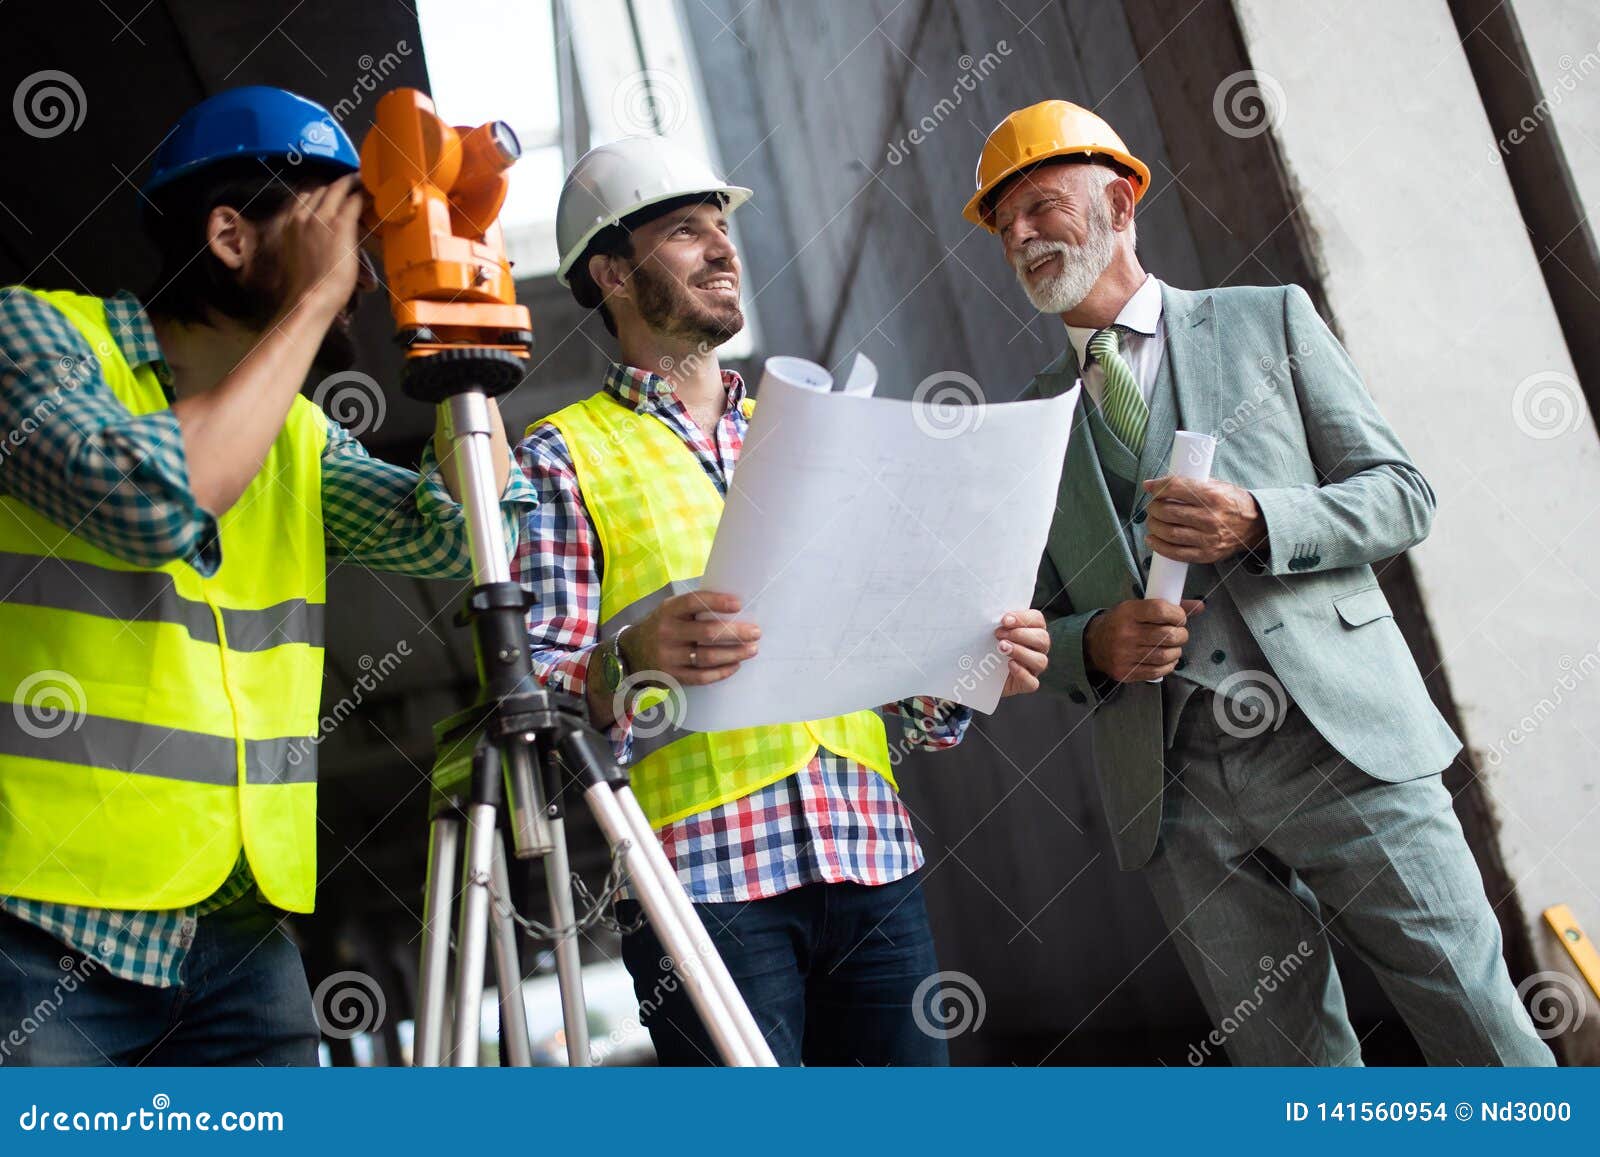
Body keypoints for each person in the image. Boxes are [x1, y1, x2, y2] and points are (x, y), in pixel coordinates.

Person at [968, 99, 1552, 1065]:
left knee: (1480, 1028)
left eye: (1039, 205)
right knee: (1294, 1077)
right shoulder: (1024, 421)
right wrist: (1092, 645)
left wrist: (1261, 518)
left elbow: (1403, 495)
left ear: (1119, 200)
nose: (1021, 236)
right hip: (1175, 793)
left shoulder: (1266, 319)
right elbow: (1023, 622)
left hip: (1339, 743)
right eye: (1004, 226)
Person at [0, 86, 535, 1066]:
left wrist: (463, 323)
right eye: (339, 230)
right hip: (40, 923)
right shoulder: (33, 336)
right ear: (231, 236)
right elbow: (150, 497)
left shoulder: (296, 432)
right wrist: (314, 299)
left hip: (238, 935)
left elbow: (467, 539)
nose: (362, 274)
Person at [516, 135, 1050, 1065]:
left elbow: (905, 702)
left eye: (724, 230)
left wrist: (969, 663)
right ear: (609, 271)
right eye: (687, 232)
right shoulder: (563, 456)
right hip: (702, 884)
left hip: (870, 855)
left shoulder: (807, 437)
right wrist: (627, 660)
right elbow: (531, 700)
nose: (724, 250)